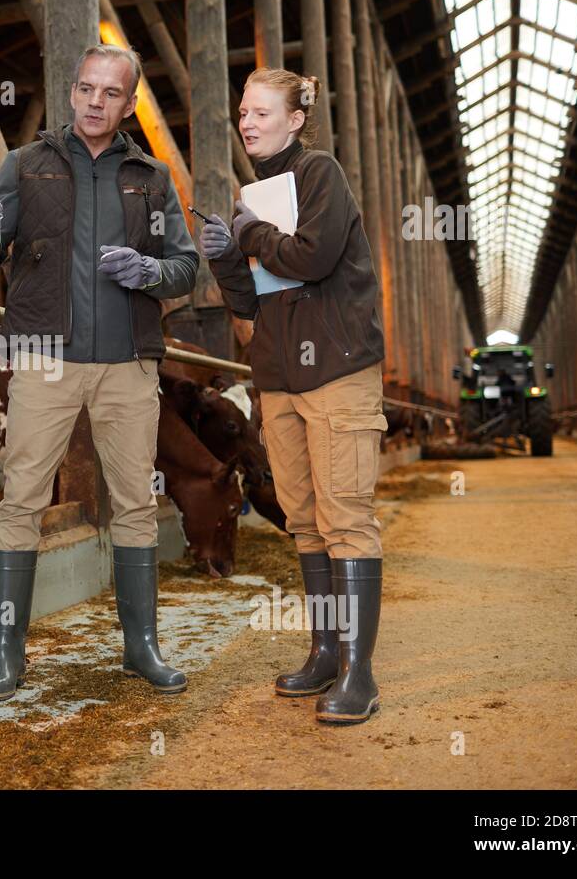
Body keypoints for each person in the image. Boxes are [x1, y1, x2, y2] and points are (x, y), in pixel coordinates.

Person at [0, 43, 200, 702]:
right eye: (87, 89)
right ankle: (8, 658)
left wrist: (150, 272)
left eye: (111, 93)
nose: (97, 101)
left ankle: (141, 649)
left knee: (134, 505)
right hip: (44, 358)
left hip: (128, 364)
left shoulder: (150, 179)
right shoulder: (26, 166)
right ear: (72, 92)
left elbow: (185, 266)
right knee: (22, 501)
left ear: (128, 105)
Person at [200, 68, 388, 723]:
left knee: (346, 518)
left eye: (259, 112)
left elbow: (310, 259)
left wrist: (248, 233)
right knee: (305, 520)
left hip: (336, 372)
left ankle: (359, 674)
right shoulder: (255, 195)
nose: (246, 122)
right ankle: (324, 652)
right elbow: (253, 299)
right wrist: (225, 256)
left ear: (295, 119)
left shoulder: (318, 176)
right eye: (243, 113)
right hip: (278, 376)